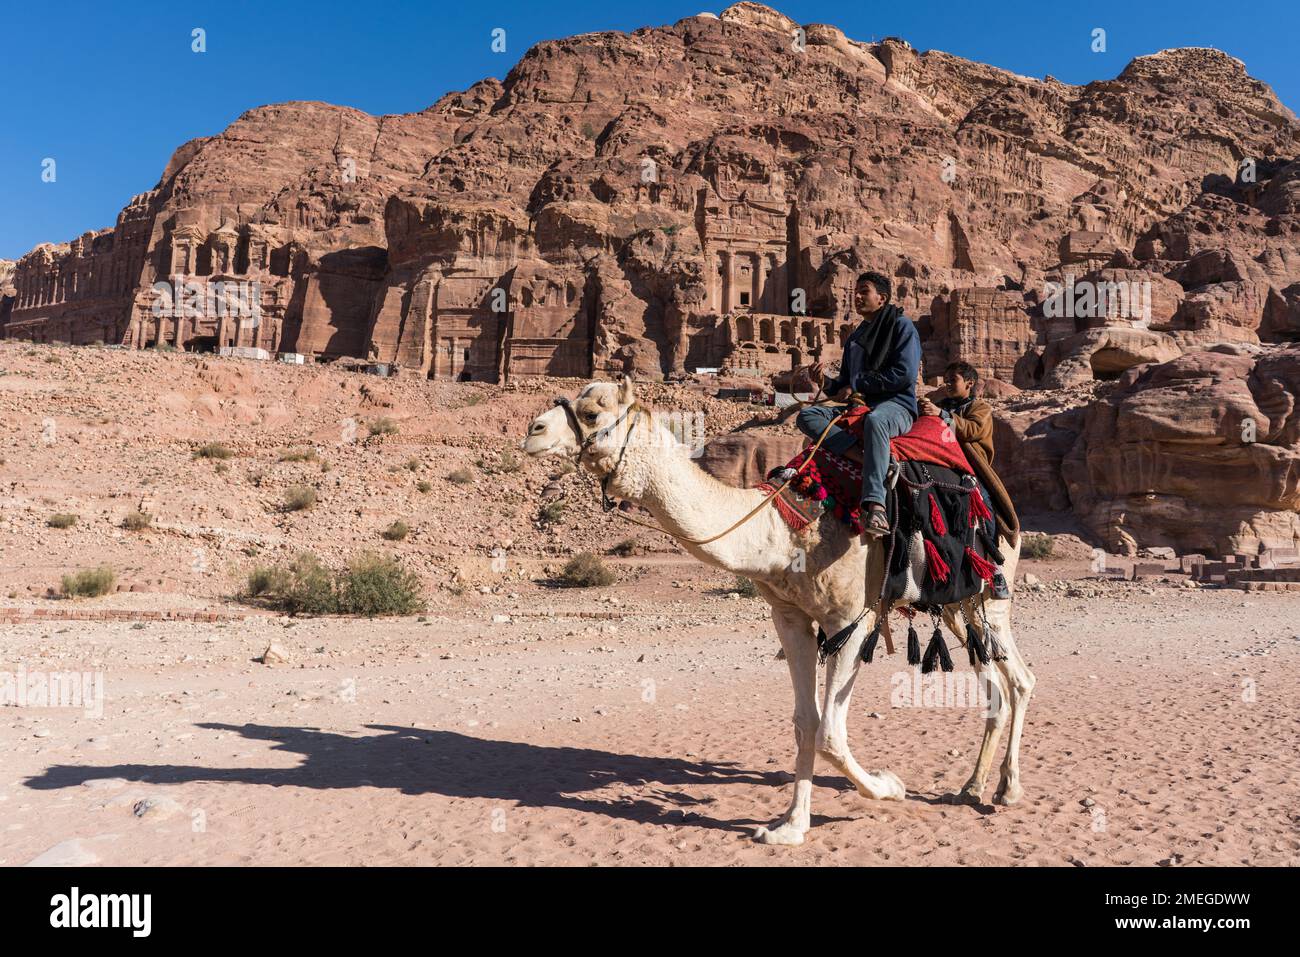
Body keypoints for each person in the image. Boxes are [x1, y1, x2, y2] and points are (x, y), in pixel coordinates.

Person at [792, 271, 920, 538]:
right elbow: (843, 386)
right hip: (857, 405)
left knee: (876, 421)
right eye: (856, 292)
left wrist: (858, 385)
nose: (857, 297)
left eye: (864, 292)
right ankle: (866, 459)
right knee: (808, 417)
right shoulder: (855, 338)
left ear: (882, 298)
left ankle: (875, 505)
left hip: (895, 405)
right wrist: (824, 382)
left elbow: (904, 375)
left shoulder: (902, 327)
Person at [919, 360, 1018, 598]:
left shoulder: (980, 408)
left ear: (970, 383)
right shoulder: (940, 405)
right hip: (938, 463)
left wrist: (940, 415)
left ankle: (995, 567)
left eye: (953, 380)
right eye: (946, 379)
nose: (947, 384)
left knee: (983, 503)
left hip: (969, 469)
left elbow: (973, 431)